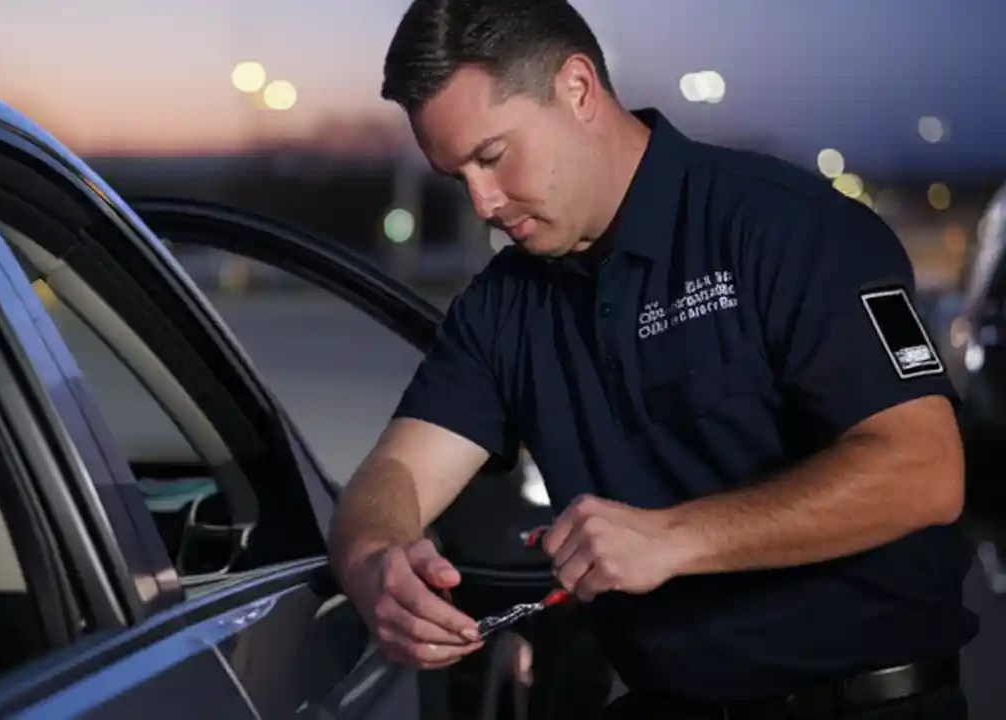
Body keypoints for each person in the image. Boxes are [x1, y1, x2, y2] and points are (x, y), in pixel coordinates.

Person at [327, 0, 980, 717]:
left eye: (492, 156)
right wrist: (375, 564)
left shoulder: (789, 230)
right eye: (458, 177)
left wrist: (674, 538)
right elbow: (391, 477)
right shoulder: (501, 309)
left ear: (577, 88)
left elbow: (925, 469)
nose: (482, 202)